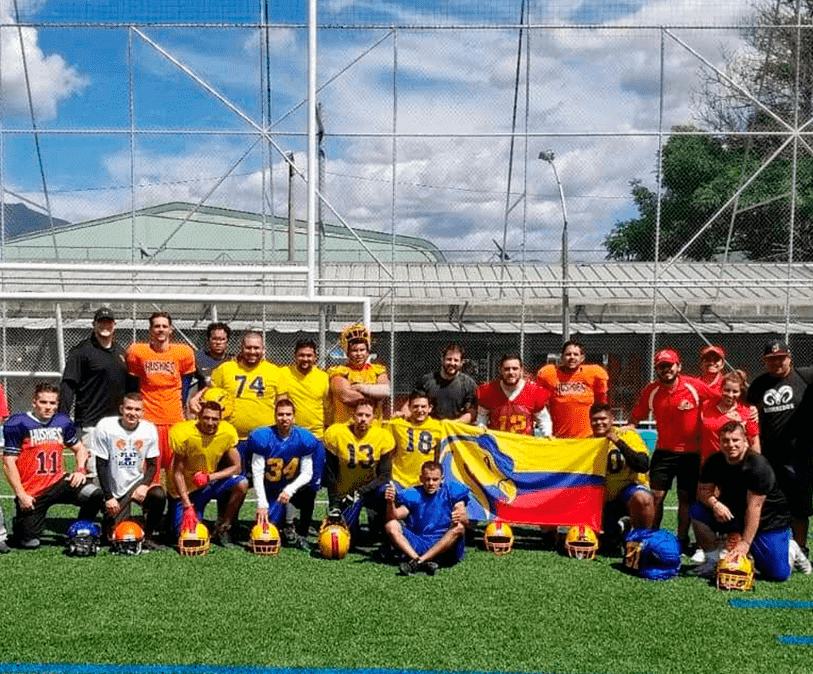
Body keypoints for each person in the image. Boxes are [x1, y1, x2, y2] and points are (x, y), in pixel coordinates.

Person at [689, 421, 811, 580]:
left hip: (767, 521)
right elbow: (703, 491)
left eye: (735, 440)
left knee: (778, 575)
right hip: (735, 514)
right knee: (697, 510)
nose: (730, 445)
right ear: (719, 442)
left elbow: (755, 508)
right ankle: (713, 561)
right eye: (725, 440)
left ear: (745, 440)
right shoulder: (714, 461)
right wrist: (715, 504)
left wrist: (745, 544)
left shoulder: (758, 465)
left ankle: (791, 549)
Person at [626, 348, 717, 553]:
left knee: (686, 498)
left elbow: (719, 399)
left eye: (670, 365)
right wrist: (625, 431)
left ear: (678, 366)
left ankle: (682, 540)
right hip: (664, 452)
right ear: (657, 369)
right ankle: (651, 536)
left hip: (691, 454)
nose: (666, 369)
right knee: (656, 496)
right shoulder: (652, 390)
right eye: (662, 366)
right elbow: (636, 417)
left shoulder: (694, 386)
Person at [2, 382, 102, 549]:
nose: (48, 407)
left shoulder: (62, 421)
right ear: (34, 402)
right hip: (33, 492)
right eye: (43, 402)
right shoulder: (18, 423)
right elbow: (8, 463)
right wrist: (21, 495)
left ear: (57, 404)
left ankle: (81, 529)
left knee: (94, 493)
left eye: (52, 403)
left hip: (58, 482)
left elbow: (80, 449)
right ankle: (21, 523)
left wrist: (80, 470)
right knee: (29, 542)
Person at [747, 339, 813, 553]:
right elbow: (748, 412)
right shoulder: (759, 384)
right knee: (769, 503)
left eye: (780, 358)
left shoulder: (805, 376)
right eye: (771, 359)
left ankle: (801, 548)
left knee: (799, 505)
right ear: (765, 362)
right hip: (769, 457)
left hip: (799, 455)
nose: (776, 363)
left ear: (789, 358)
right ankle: (769, 547)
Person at [201, 332, 286, 472]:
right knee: (235, 483)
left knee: (265, 482)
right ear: (241, 348)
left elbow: (282, 404)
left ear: (263, 350)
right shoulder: (225, 369)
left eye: (256, 348)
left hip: (265, 438)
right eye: (248, 348)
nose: (252, 352)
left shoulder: (275, 372)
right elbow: (210, 393)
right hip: (232, 439)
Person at [59, 306, 129, 478]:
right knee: (95, 476)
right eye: (101, 323)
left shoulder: (121, 352)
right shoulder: (81, 351)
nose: (105, 326)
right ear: (94, 325)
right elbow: (68, 385)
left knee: (118, 476)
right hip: (91, 425)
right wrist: (62, 418)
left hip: (119, 425)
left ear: (114, 326)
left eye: (108, 323)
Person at [91, 392, 166, 548]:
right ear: (121, 409)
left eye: (137, 410)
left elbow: (153, 464)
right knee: (113, 537)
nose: (133, 413)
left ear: (142, 412)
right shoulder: (106, 426)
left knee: (158, 495)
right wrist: (108, 496)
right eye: (129, 408)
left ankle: (149, 535)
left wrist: (144, 485)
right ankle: (117, 519)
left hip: (137, 483)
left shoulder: (149, 429)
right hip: (114, 487)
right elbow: (101, 465)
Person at [168, 401, 247, 547]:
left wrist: (210, 477)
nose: (210, 423)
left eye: (215, 419)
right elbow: (177, 473)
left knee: (242, 483)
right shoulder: (184, 433)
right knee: (184, 536)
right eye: (206, 418)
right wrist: (187, 505)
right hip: (184, 491)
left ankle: (223, 527)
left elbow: (237, 467)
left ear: (220, 419)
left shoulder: (227, 432)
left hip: (206, 484)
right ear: (199, 416)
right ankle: (185, 514)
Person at [247, 398, 324, 549]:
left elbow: (307, 473)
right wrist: (262, 503)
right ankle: (285, 522)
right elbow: (257, 473)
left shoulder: (304, 438)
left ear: (294, 416)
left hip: (291, 488)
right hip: (271, 488)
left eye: (288, 414)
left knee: (310, 490)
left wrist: (289, 490)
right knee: (268, 528)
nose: (284, 418)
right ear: (275, 416)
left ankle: (301, 531)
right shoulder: (263, 437)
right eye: (281, 414)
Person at [126, 312, 196, 474]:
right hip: (148, 420)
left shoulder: (183, 353)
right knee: (150, 472)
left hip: (174, 419)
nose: (161, 330)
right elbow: (133, 386)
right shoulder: (138, 352)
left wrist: (183, 409)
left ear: (171, 329)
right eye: (157, 326)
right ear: (150, 329)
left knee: (175, 472)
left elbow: (185, 386)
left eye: (164, 326)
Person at [275, 339, 329, 538]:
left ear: (315, 356)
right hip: (291, 438)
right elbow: (281, 404)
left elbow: (328, 406)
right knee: (287, 479)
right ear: (295, 356)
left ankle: (305, 526)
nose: (305, 359)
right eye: (301, 355)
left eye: (309, 355)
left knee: (312, 484)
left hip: (316, 438)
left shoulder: (323, 378)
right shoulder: (284, 374)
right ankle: (288, 524)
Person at [384, 460, 469, 576]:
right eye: (427, 479)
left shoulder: (451, 491)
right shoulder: (414, 494)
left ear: (442, 478)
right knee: (391, 525)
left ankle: (418, 562)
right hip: (420, 541)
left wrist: (461, 516)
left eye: (435, 479)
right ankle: (419, 560)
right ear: (421, 479)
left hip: (444, 542)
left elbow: (464, 519)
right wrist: (390, 503)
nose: (431, 483)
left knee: (459, 527)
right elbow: (393, 516)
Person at [323, 398, 395, 532]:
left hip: (371, 491)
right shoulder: (337, 433)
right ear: (352, 415)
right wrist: (334, 504)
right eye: (360, 414)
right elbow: (330, 472)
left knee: (386, 490)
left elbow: (385, 476)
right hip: (346, 494)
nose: (363, 419)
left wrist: (360, 492)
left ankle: (382, 523)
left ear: (373, 417)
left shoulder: (382, 436)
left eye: (367, 415)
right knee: (349, 536)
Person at [590, 404, 654, 536]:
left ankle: (645, 538)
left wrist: (617, 441)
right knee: (609, 539)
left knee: (642, 498)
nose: (599, 423)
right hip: (606, 501)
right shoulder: (588, 442)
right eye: (595, 419)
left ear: (612, 419)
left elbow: (642, 465)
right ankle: (623, 526)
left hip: (628, 493)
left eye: (603, 419)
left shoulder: (626, 435)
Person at [536, 340, 609, 438]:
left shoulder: (594, 373)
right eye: (568, 354)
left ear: (582, 358)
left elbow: (602, 404)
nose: (572, 357)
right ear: (562, 357)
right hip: (559, 436)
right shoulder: (549, 374)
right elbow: (539, 405)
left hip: (588, 436)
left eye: (576, 354)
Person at [327, 323, 389, 425]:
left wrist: (359, 387)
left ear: (367, 352)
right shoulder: (339, 372)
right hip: (346, 427)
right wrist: (374, 395)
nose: (359, 354)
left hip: (373, 427)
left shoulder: (378, 370)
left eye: (362, 350)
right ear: (348, 353)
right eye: (354, 350)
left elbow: (385, 390)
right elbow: (346, 396)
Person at [476, 353, 550, 435]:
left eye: (515, 368)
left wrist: (547, 435)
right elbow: (482, 417)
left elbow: (543, 420)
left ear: (521, 370)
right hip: (498, 445)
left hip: (523, 445)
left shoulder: (534, 392)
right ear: (500, 370)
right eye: (507, 369)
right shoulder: (489, 391)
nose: (511, 372)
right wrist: (481, 428)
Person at [404, 343, 477, 422]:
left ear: (461, 362)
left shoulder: (469, 384)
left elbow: (472, 412)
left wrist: (452, 425)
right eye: (449, 359)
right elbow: (411, 403)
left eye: (456, 360)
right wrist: (401, 415)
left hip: (456, 429)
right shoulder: (427, 380)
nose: (452, 363)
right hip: (430, 428)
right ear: (442, 359)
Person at [700, 370, 759, 466]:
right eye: (727, 390)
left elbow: (754, 444)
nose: (730, 395)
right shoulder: (706, 407)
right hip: (710, 465)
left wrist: (757, 467)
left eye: (735, 391)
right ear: (721, 388)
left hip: (736, 467)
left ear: (740, 392)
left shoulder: (748, 413)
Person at [389, 390, 444, 488]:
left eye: (423, 406)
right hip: (399, 480)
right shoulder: (397, 424)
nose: (419, 410)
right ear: (409, 408)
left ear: (430, 408)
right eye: (415, 406)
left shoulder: (438, 427)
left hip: (424, 482)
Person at [191, 322, 232, 399]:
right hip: (203, 403)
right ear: (208, 340)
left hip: (226, 404)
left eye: (222, 339)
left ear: (227, 342)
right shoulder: (198, 358)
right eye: (214, 339)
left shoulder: (233, 362)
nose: (218, 343)